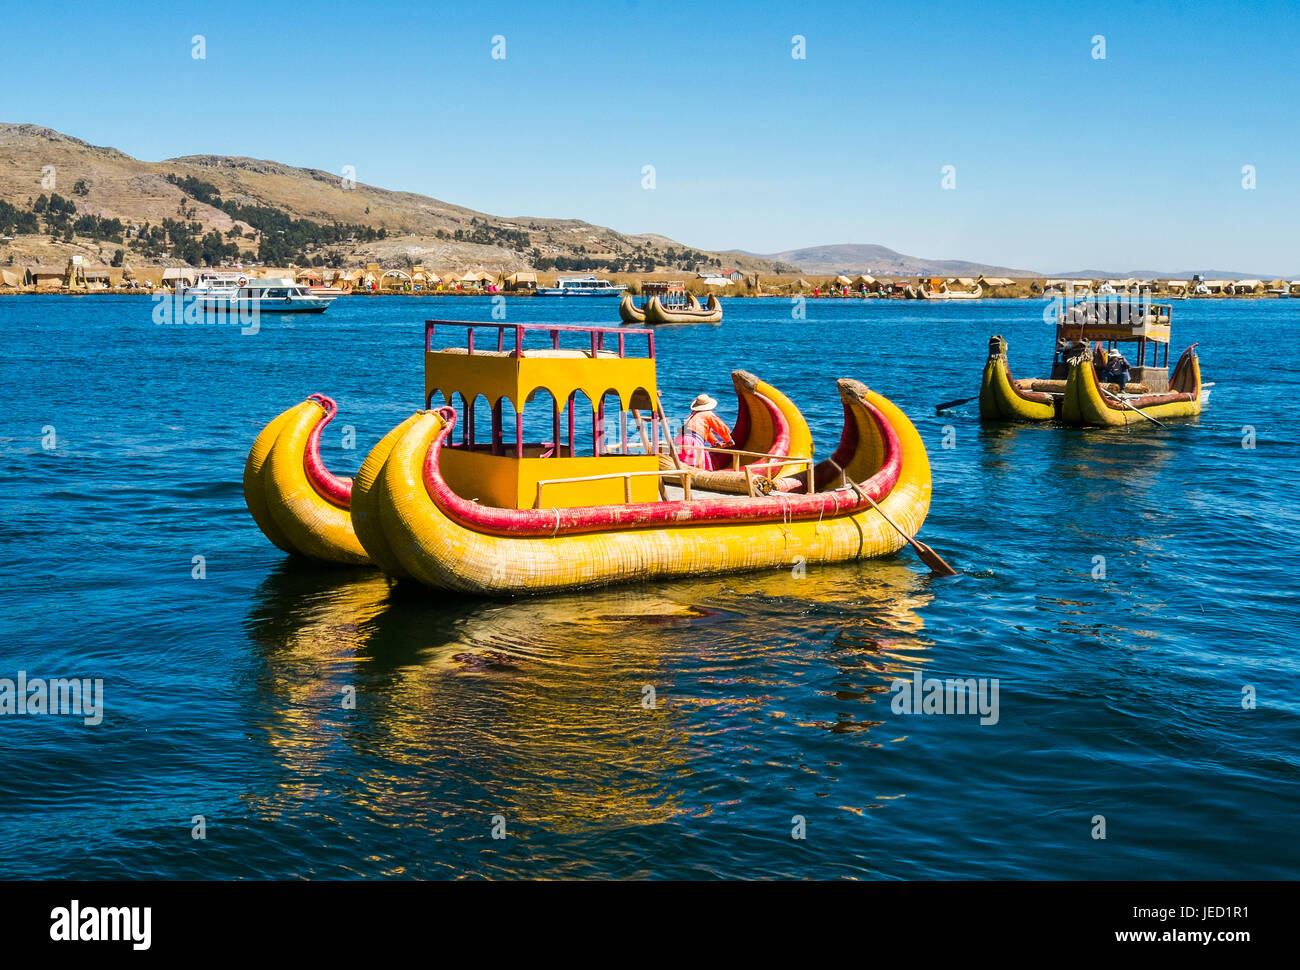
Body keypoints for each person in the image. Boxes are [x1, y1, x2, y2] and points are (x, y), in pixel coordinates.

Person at [677, 394, 733, 469]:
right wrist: (728, 440)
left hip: (680, 439)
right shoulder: (708, 414)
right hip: (692, 441)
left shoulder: (693, 414)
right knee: (698, 466)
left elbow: (706, 432)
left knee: (684, 464)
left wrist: (715, 442)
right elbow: (720, 427)